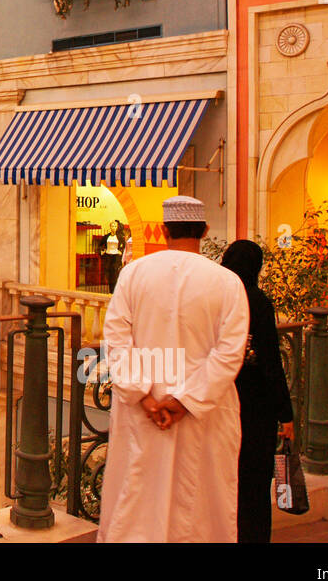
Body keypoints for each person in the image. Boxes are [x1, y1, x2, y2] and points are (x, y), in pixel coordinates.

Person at [96, 196, 249, 542]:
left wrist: (145, 397)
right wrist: (185, 401)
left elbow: (117, 341)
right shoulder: (228, 283)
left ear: (164, 230)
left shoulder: (133, 273)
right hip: (204, 414)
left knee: (135, 502)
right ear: (205, 231)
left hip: (142, 413)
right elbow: (229, 354)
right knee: (202, 511)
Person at [222, 239, 295, 543]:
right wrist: (285, 415)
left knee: (223, 480)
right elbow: (271, 364)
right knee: (254, 484)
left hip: (220, 403)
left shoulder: (218, 299)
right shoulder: (258, 302)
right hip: (255, 410)